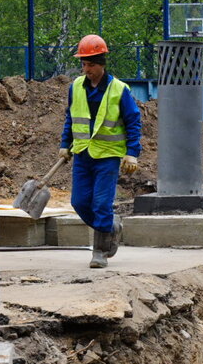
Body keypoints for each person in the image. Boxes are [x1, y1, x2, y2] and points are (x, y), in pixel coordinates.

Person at [59, 34, 142, 268]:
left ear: (102, 63)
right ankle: (111, 227)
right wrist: (65, 145)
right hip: (83, 153)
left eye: (91, 65)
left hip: (108, 155)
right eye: (84, 64)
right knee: (79, 202)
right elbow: (71, 117)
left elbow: (133, 121)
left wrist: (132, 152)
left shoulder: (118, 90)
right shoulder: (76, 87)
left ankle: (100, 251)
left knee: (101, 203)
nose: (87, 69)